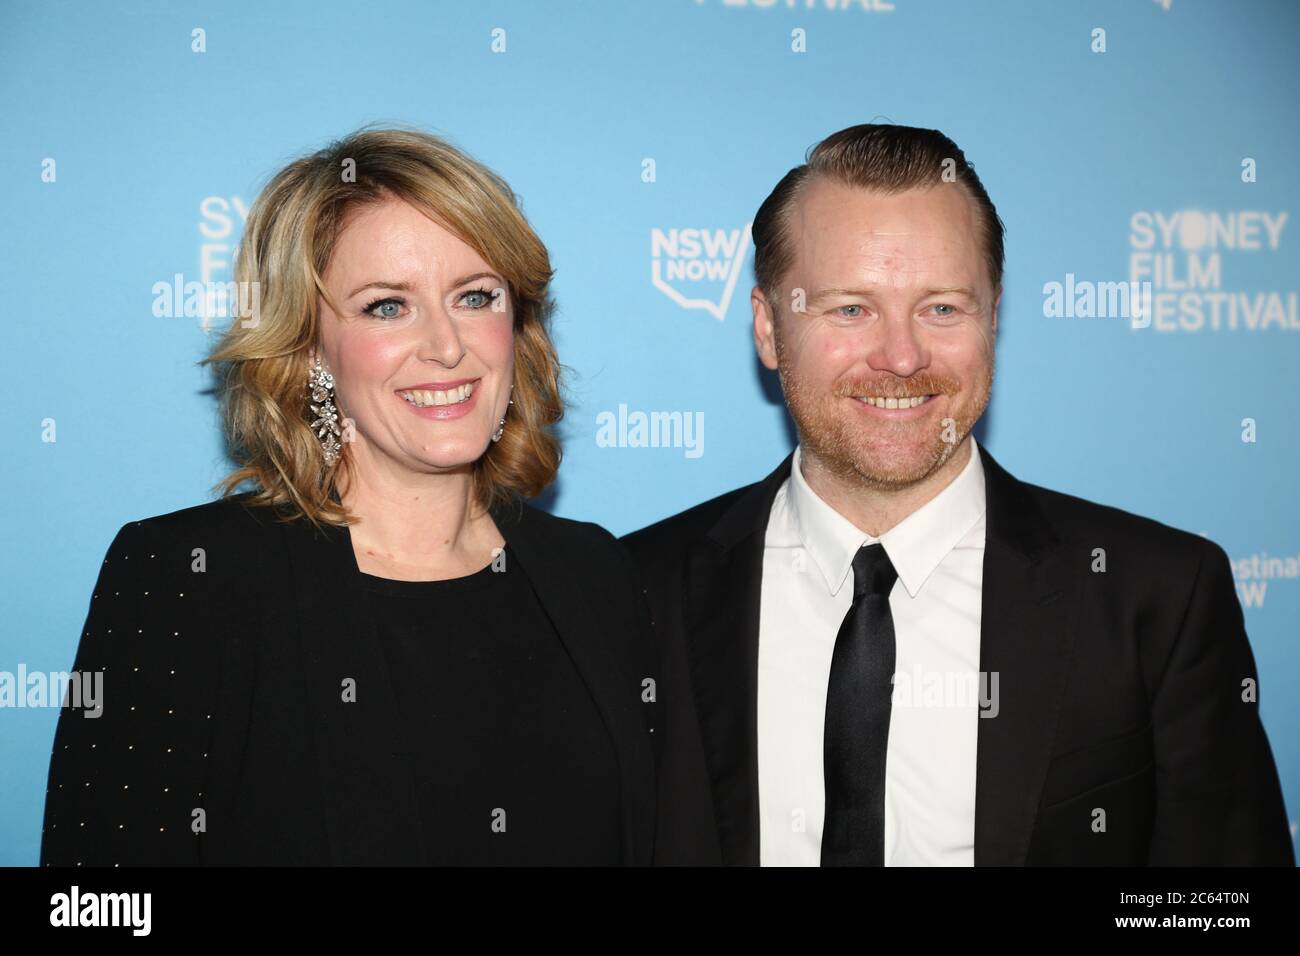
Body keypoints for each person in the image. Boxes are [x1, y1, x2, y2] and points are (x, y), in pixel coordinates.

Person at [621, 123, 1293, 866]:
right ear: (769, 329)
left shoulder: (1156, 597)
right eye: (850, 308)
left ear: (994, 318)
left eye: (942, 307)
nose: (902, 357)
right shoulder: (635, 593)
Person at [40, 126, 658, 866]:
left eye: (474, 296)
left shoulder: (597, 573)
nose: (447, 345)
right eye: (386, 307)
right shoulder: (190, 577)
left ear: (517, 325)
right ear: (308, 350)